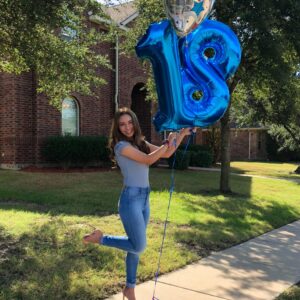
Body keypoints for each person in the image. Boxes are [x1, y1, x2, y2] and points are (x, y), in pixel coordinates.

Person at [83, 107, 194, 300]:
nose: (127, 128)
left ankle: (130, 289)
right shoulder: (121, 147)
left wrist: (182, 133)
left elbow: (166, 154)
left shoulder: (140, 142)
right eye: (122, 125)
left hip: (144, 198)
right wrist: (167, 141)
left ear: (134, 122)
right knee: (139, 246)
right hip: (130, 200)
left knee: (133, 248)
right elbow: (149, 159)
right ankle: (101, 238)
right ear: (117, 128)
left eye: (129, 122)